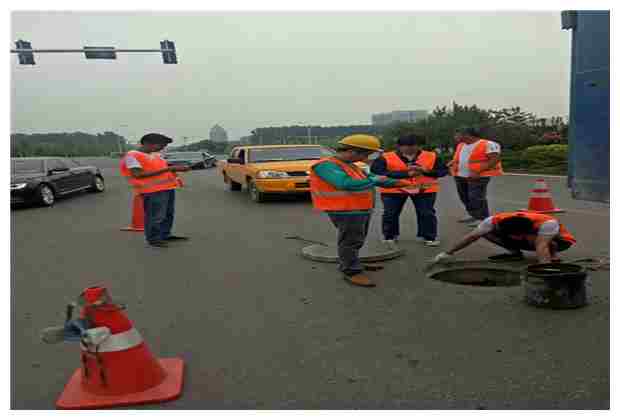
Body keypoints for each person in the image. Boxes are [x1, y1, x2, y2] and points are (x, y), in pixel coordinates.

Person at [309, 134, 409, 287]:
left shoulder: (351, 165)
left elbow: (374, 178)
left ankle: (352, 263)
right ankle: (351, 271)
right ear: (353, 151)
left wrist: (402, 183)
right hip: (344, 210)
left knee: (356, 240)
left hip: (358, 208)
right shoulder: (326, 165)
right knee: (350, 241)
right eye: (366, 154)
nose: (366, 157)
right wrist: (374, 180)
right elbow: (344, 183)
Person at [371, 133, 448, 247]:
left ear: (419, 145)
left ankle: (429, 237)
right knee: (390, 213)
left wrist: (424, 171)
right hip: (394, 189)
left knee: (426, 213)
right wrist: (405, 174)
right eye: (406, 146)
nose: (410, 148)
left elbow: (443, 171)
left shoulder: (432, 156)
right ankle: (389, 236)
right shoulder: (385, 157)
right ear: (399, 146)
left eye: (414, 145)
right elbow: (378, 172)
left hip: (424, 189)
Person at [119, 133, 191, 248]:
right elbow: (138, 174)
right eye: (161, 145)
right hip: (151, 191)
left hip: (167, 188)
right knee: (156, 216)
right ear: (148, 143)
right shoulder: (132, 155)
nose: (163, 148)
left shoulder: (155, 155)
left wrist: (175, 169)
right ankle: (153, 238)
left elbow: (161, 169)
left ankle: (165, 234)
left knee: (168, 214)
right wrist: (170, 168)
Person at [431, 211, 576, 264]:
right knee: (484, 233)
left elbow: (541, 245)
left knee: (544, 245)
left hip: (560, 241)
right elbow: (470, 237)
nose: (516, 238)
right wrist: (447, 253)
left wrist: (545, 269)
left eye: (518, 236)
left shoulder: (547, 224)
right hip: (530, 237)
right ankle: (515, 253)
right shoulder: (492, 221)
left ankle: (553, 256)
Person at [447, 127, 503, 227]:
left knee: (476, 197)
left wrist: (478, 171)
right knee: (464, 197)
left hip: (479, 175)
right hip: (460, 175)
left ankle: (482, 218)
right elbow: (460, 157)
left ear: (467, 135)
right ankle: (473, 214)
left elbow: (494, 160)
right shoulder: (461, 145)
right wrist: (452, 163)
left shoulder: (489, 144)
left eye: (457, 134)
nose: (455, 137)